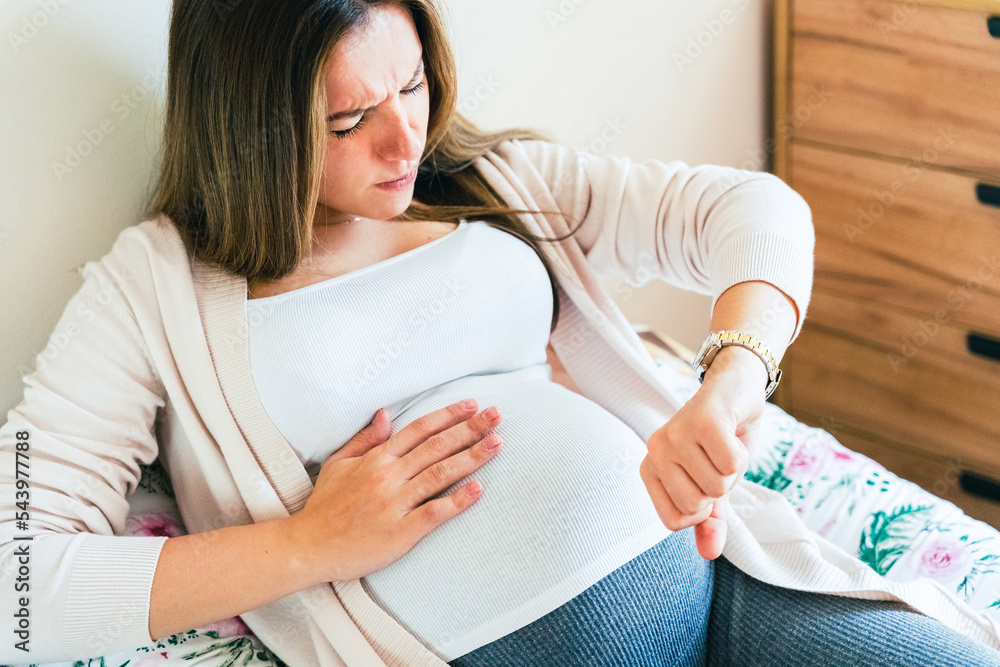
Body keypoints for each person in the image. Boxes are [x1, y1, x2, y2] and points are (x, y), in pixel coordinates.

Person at [1, 0, 999, 665]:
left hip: (723, 588)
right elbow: (17, 584)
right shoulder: (155, 286)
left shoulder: (492, 182)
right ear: (245, 124)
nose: (404, 140)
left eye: (412, 85)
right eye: (347, 121)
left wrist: (730, 384)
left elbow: (754, 211)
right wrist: (306, 544)